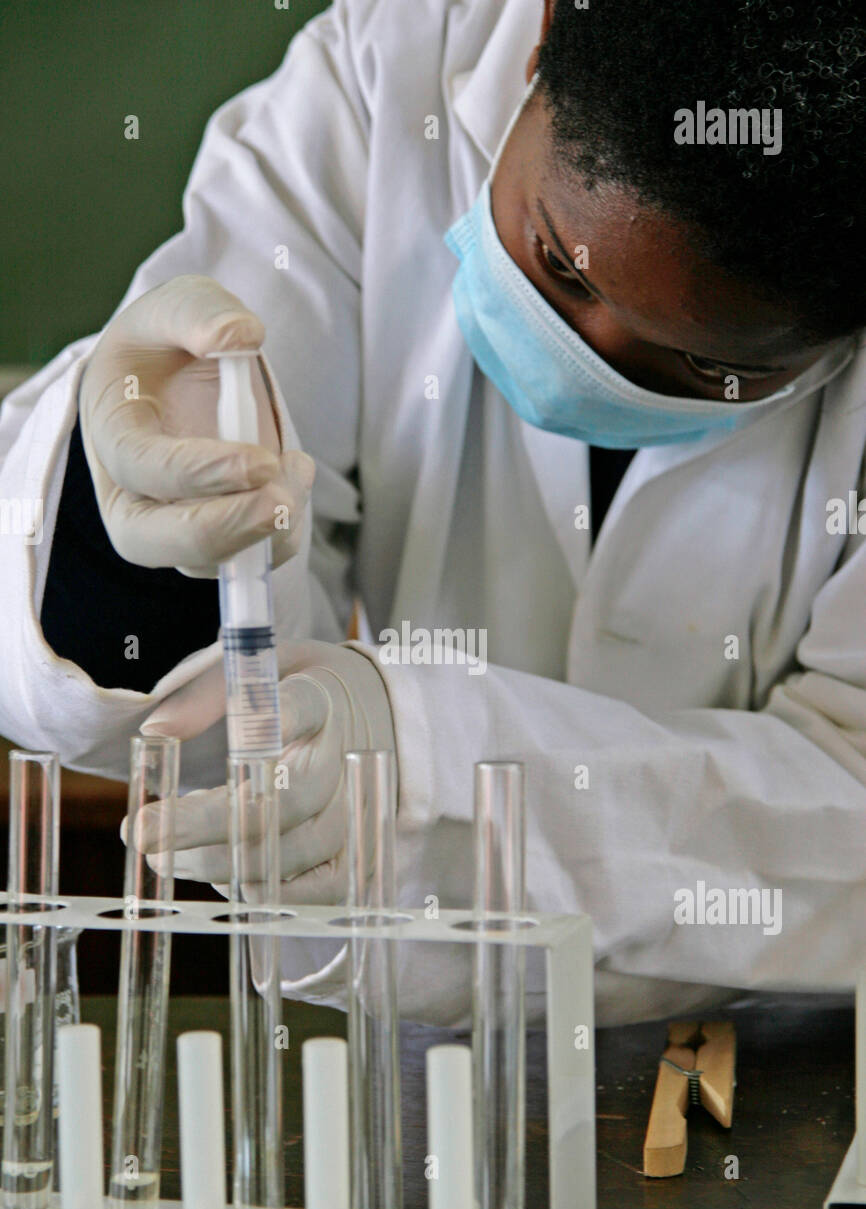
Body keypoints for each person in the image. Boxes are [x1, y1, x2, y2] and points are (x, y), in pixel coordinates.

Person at [1, 0, 865, 1026]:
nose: (587, 347)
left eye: (705, 364)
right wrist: (122, 532)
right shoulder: (391, 79)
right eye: (554, 261)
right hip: (415, 1088)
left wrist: (431, 764)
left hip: (792, 1070)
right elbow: (175, 706)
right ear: (539, 42)